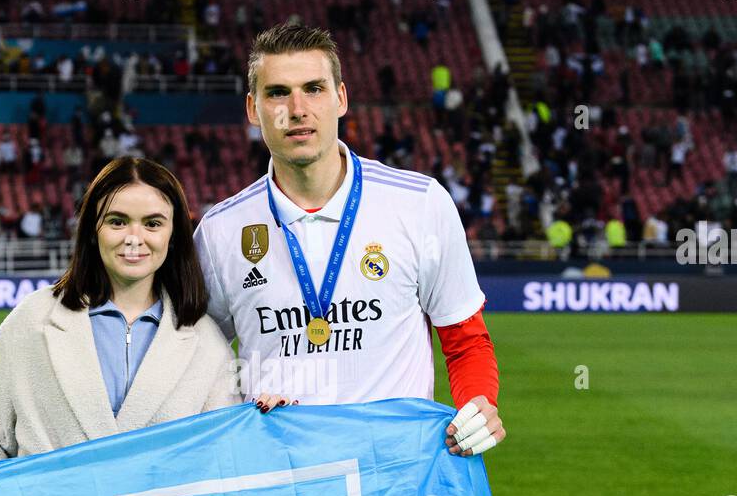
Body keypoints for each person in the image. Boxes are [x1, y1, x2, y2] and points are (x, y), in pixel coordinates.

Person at [192, 23, 505, 457]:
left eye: (314, 89)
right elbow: (194, 362)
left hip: (394, 477)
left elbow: (466, 339)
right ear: (252, 108)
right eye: (278, 93)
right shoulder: (220, 231)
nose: (297, 109)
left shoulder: (419, 203)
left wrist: (479, 404)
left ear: (341, 98)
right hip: (280, 483)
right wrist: (238, 404)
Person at [0, 158, 241, 496]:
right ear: (92, 230)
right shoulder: (32, 320)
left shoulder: (208, 344)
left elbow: (227, 461)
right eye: (117, 222)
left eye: (152, 224)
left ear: (174, 234)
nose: (135, 238)